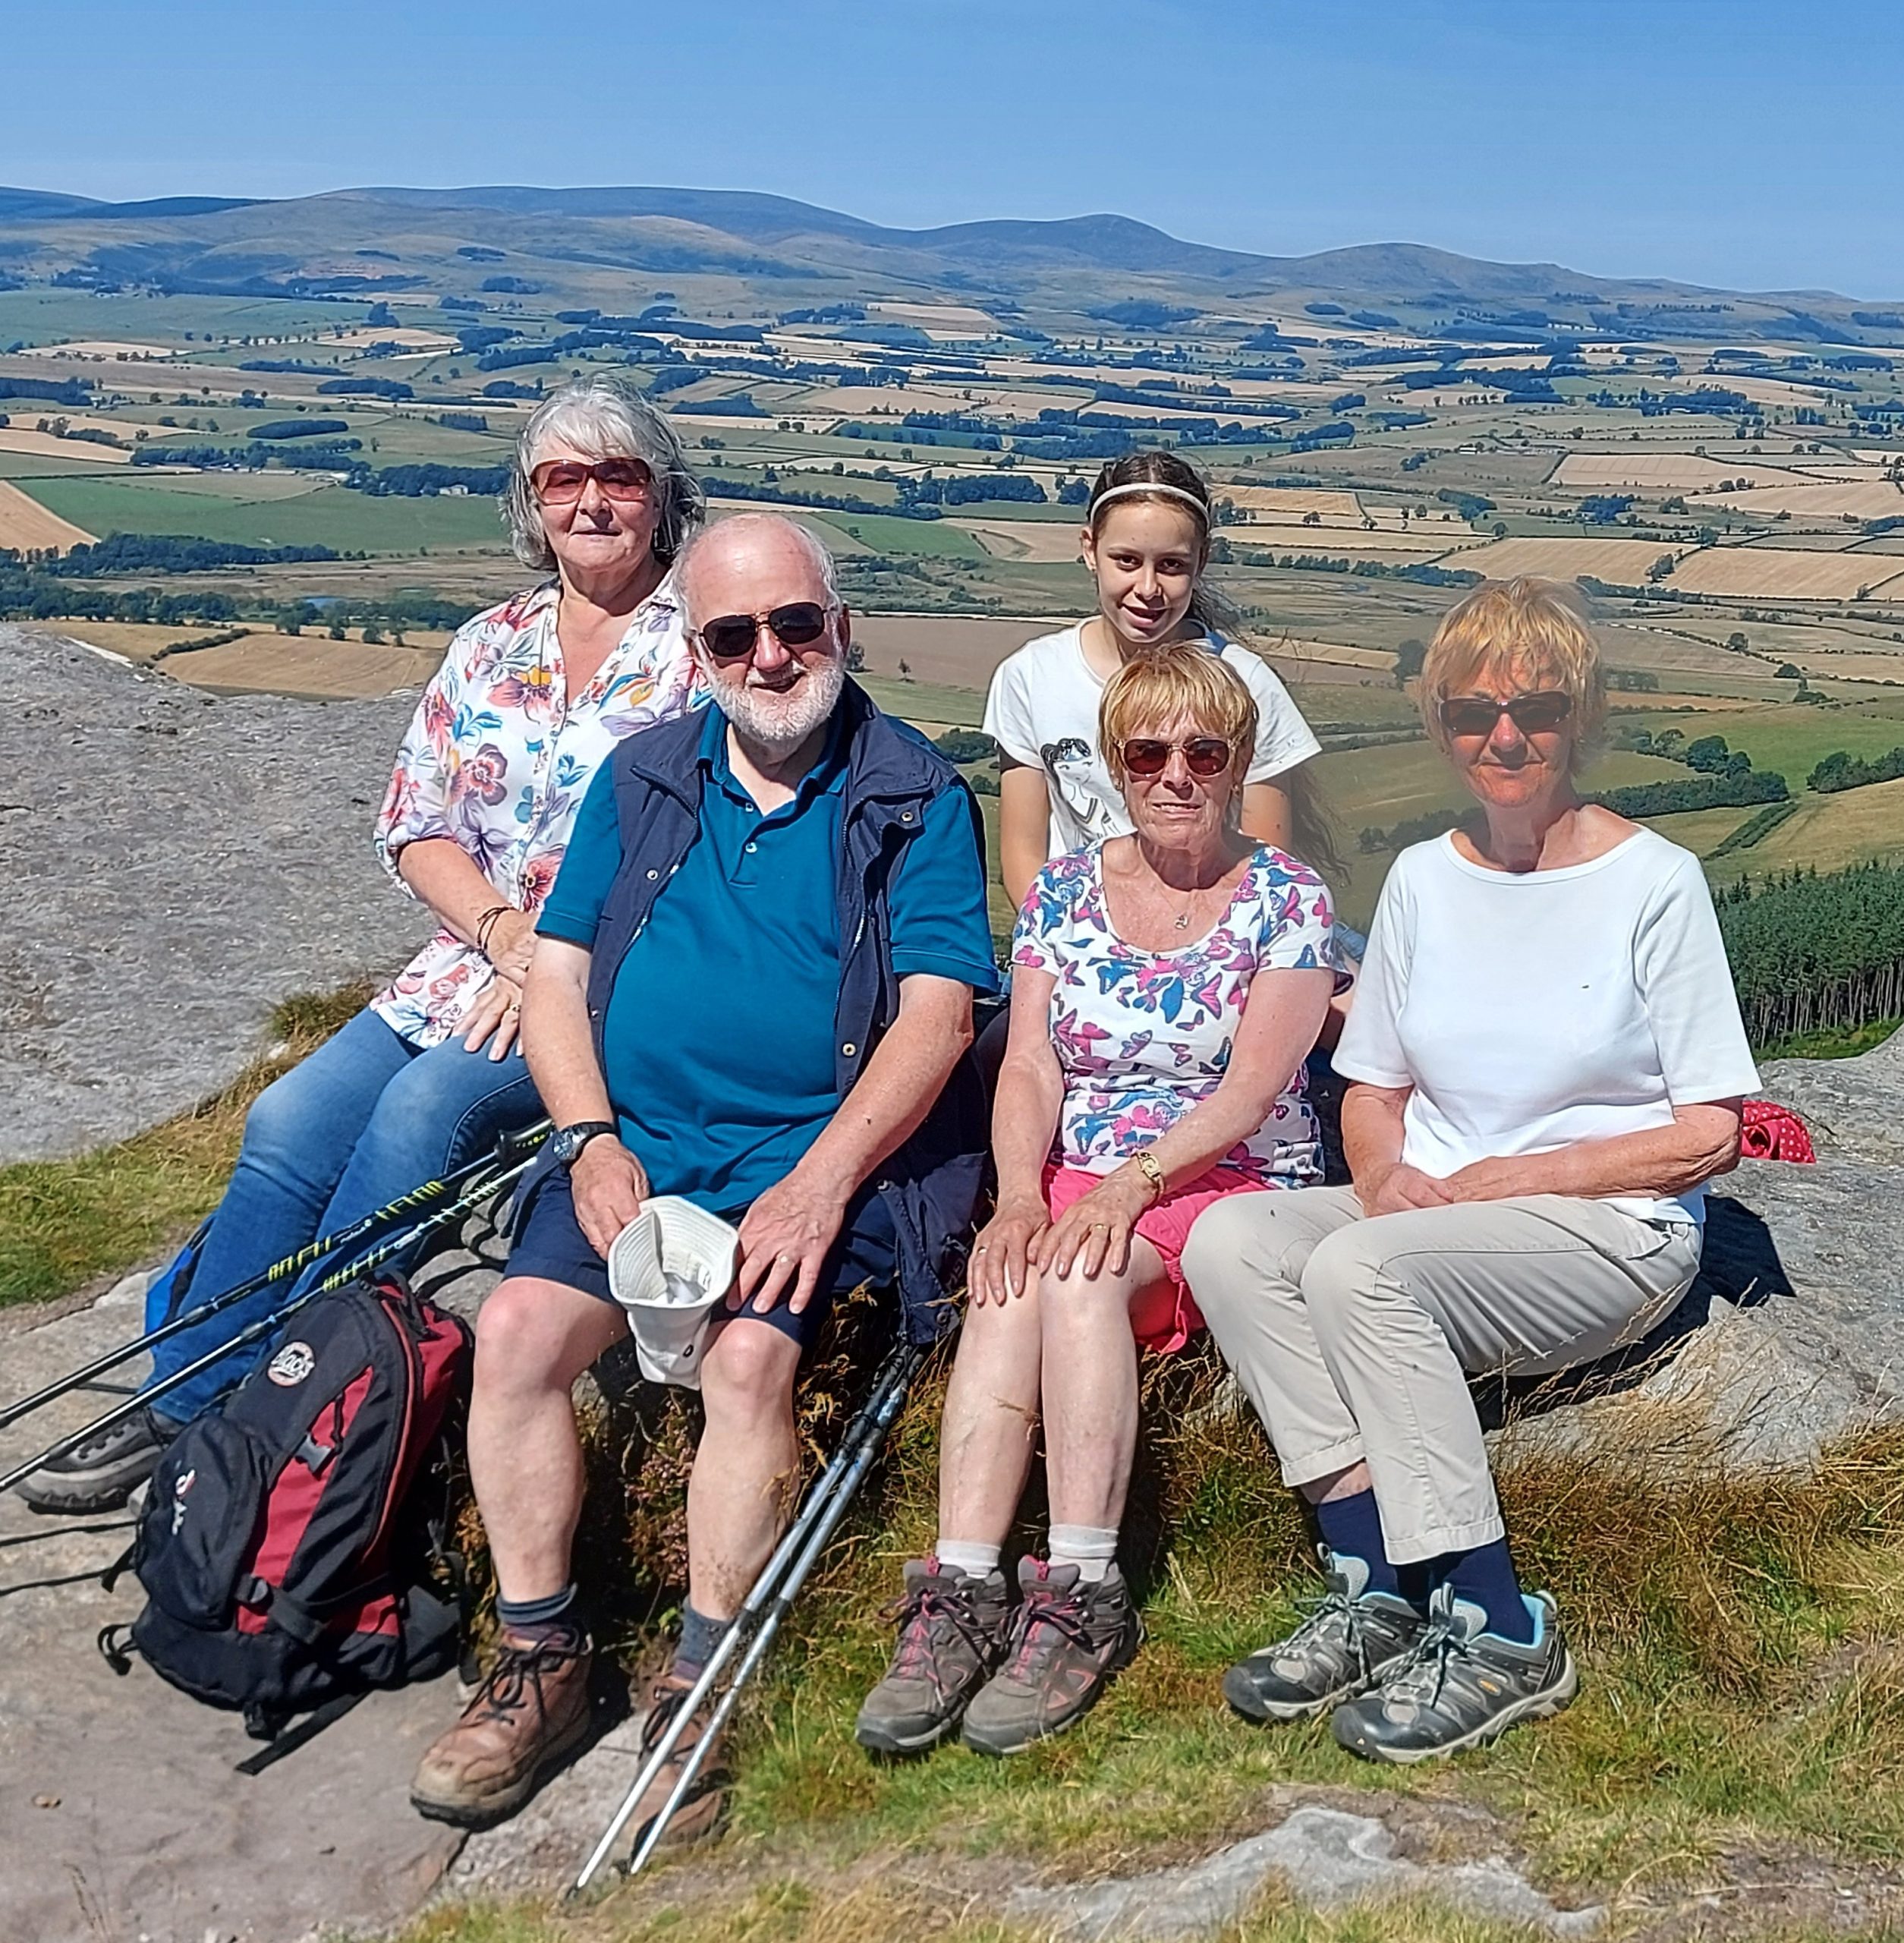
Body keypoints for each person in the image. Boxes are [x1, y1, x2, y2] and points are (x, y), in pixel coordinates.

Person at [20, 376, 705, 1516]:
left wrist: (551, 965)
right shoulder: (492, 643)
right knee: (284, 1119)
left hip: (601, 991)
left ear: (660, 496)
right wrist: (497, 934)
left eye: (619, 477)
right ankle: (183, 1400)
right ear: (530, 506)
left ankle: (277, 1409)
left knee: (422, 1117)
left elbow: (713, 850)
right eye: (562, 479)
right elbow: (415, 820)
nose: (591, 502)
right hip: (467, 968)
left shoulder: (702, 651)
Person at [408, 515, 997, 1838]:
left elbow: (937, 1014)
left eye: (797, 625)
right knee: (511, 1333)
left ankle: (702, 1678)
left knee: (745, 1366)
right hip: (638, 1152)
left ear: (841, 630)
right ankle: (543, 1660)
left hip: (800, 1165)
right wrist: (586, 1140)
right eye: (734, 634)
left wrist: (824, 1181)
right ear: (698, 651)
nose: (771, 656)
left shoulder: (911, 794)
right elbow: (553, 978)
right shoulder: (643, 778)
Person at [1182, 577, 1760, 1764]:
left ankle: (1500, 1628)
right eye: (1473, 714)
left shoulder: (1654, 882)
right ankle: (1375, 1578)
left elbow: (1711, 1130)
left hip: (1610, 1228)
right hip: (1435, 1212)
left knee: (1359, 1276)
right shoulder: (1423, 880)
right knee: (1228, 1242)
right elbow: (1377, 1088)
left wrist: (1506, 1183)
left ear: (1579, 720)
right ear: (1440, 726)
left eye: (1537, 711)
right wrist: (1386, 1178)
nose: (1506, 738)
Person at [856, 644, 1339, 1759]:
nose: (1175, 774)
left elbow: (1257, 1081)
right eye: (1147, 752)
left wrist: (1127, 1187)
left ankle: (1080, 1592)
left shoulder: (1285, 898)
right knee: (1008, 1284)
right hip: (1075, 1178)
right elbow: (1027, 1065)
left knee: (1076, 1285)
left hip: (1224, 1178)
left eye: (1202, 753)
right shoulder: (1065, 895)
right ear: (1115, 768)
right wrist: (1018, 1196)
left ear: (1238, 764)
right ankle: (963, 1590)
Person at [983, 449, 1328, 912]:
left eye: (1171, 565)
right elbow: (1024, 856)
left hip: (1215, 938)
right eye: (1126, 561)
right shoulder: (1029, 678)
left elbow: (1265, 864)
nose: (1147, 589)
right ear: (1090, 550)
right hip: (1078, 938)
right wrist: (1070, 943)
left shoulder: (1248, 684)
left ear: (1201, 561)